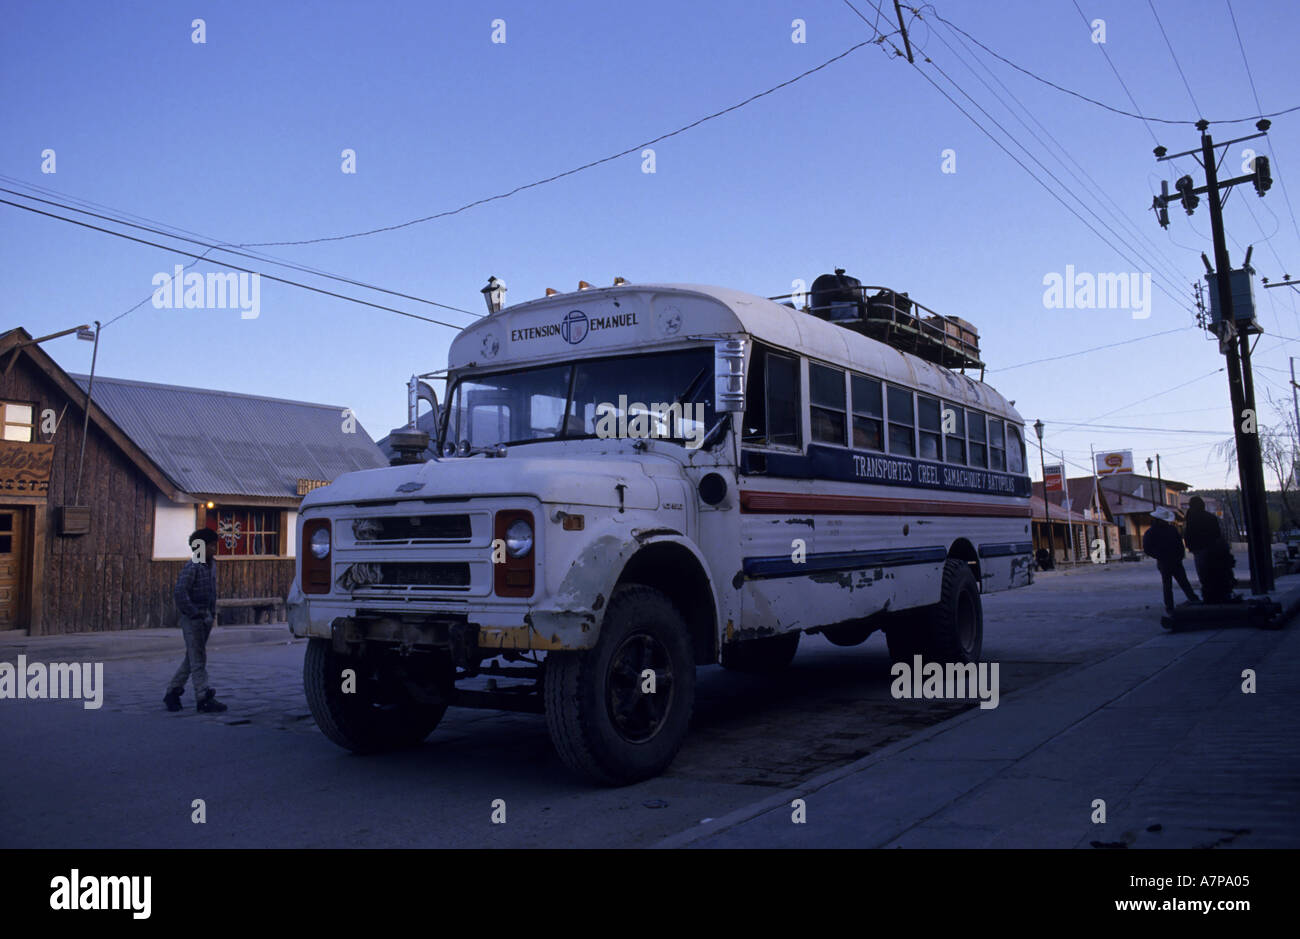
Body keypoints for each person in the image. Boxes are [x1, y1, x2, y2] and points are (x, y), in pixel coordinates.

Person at [164, 528, 228, 713]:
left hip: (206, 616)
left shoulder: (211, 565)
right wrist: (193, 612)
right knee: (198, 658)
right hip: (193, 618)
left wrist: (210, 614)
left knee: (192, 658)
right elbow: (180, 593)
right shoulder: (192, 567)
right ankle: (203, 695)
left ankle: (173, 692)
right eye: (211, 546)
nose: (215, 549)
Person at [1142, 506, 1200, 615]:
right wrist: (1179, 556)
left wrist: (1158, 556)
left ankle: (1170, 607)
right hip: (1174, 560)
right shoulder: (1172, 530)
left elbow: (1147, 548)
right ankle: (1193, 599)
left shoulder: (1151, 532)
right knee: (1183, 582)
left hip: (1165, 561)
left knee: (1167, 585)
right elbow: (1179, 546)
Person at [1183, 495, 1235, 603]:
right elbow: (1217, 534)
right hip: (1212, 550)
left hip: (1200, 550)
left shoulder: (1191, 518)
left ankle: (1209, 596)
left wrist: (1191, 547)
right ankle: (1221, 595)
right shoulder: (1210, 517)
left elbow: (1188, 534)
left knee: (1204, 575)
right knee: (1216, 573)